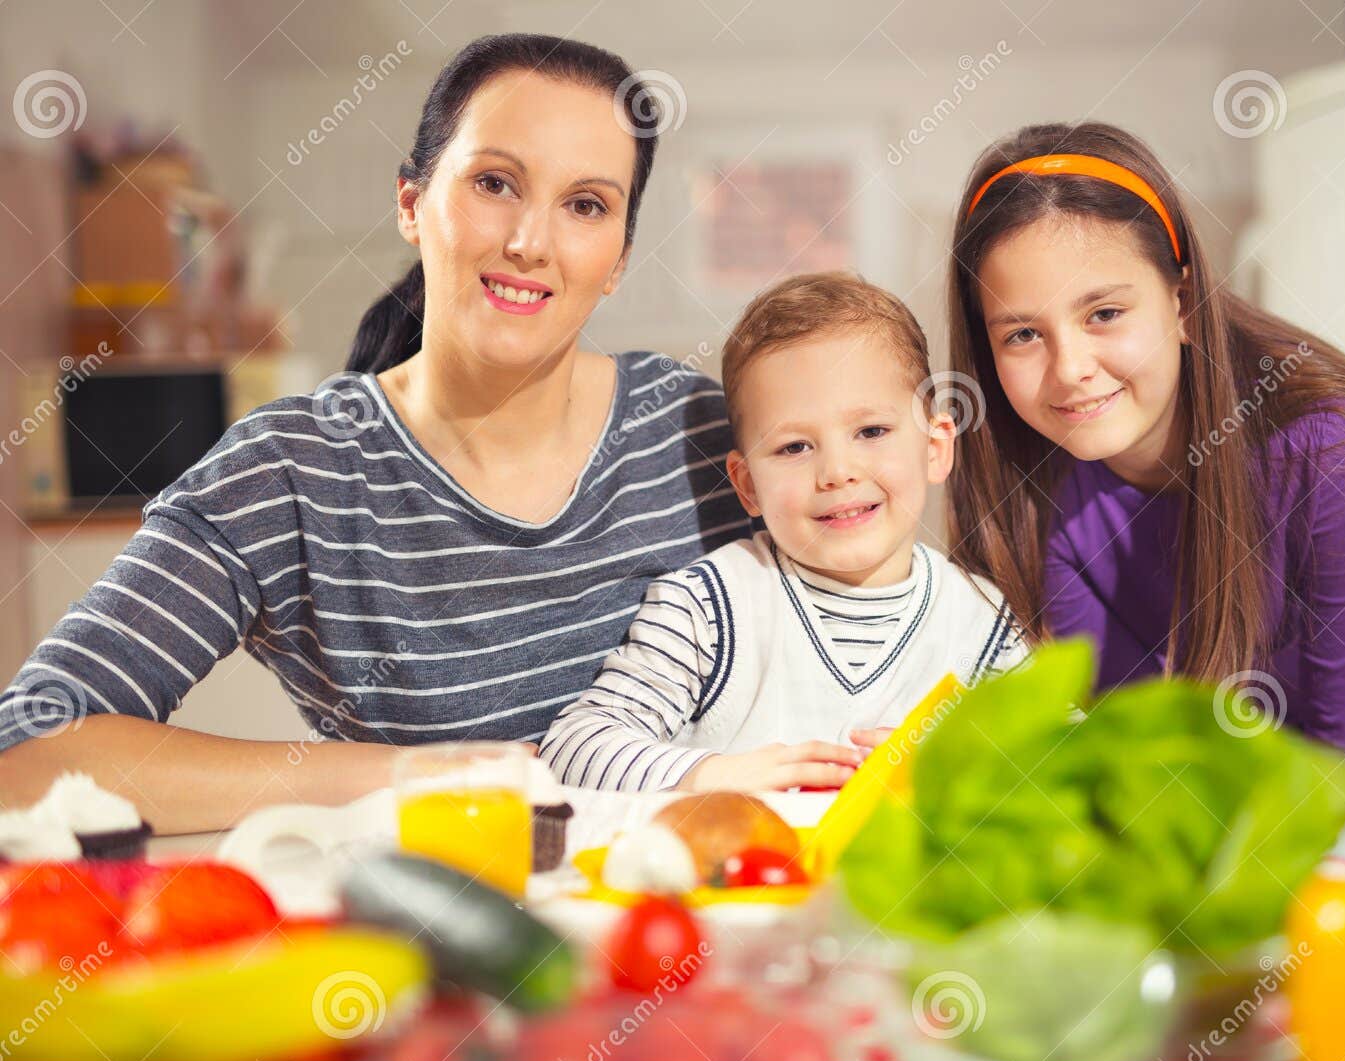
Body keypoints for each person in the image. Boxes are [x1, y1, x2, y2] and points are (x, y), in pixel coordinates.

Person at [0, 34, 751, 831]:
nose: (530, 243)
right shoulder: (290, 472)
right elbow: (27, 752)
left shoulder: (699, 434)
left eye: (586, 205)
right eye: (495, 183)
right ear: (410, 204)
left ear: (619, 259)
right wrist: (400, 774)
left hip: (708, 924)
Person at [941, 123, 1345, 785]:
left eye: (1104, 313)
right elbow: (1119, 752)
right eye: (1023, 333)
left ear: (1184, 302)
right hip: (1223, 687)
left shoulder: (1332, 443)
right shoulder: (1033, 487)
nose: (1071, 368)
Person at [541, 272, 1028, 792]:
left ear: (935, 448)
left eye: (871, 432)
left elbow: (1064, 758)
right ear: (748, 485)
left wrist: (953, 769)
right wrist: (714, 774)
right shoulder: (707, 608)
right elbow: (573, 748)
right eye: (794, 447)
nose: (837, 472)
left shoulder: (981, 622)